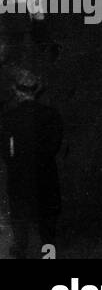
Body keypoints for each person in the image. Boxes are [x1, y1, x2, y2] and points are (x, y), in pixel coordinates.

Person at [0, 70, 63, 259]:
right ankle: (48, 255)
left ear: (16, 90)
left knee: (20, 221)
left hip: (19, 175)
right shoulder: (51, 114)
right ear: (37, 90)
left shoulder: (9, 117)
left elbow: (6, 151)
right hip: (45, 174)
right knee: (47, 222)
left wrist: (15, 160)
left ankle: (21, 254)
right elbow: (55, 145)